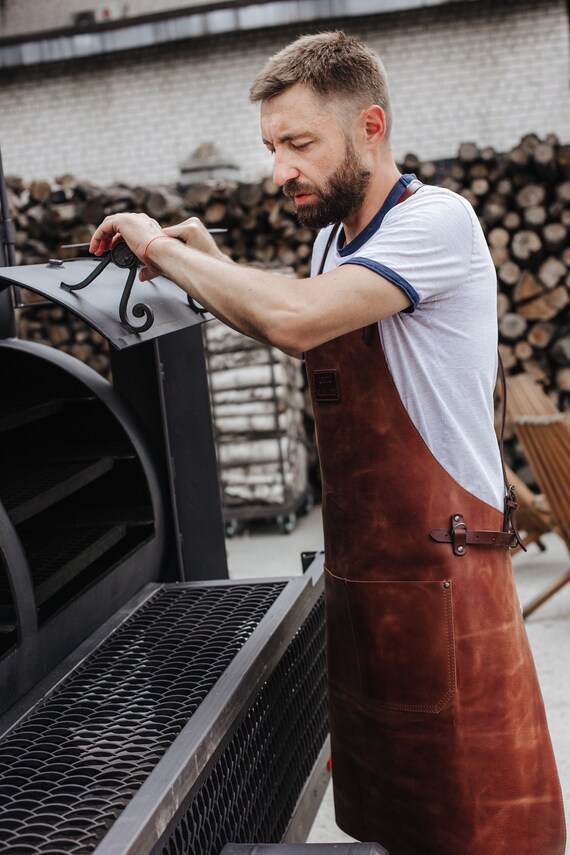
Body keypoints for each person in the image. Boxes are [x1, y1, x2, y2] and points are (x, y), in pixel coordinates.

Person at [90, 31, 566, 855]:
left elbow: (296, 317)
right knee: (388, 833)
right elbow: (308, 336)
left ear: (370, 127)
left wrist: (160, 246)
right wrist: (212, 262)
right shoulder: (331, 241)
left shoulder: (437, 221)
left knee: (481, 834)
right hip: (366, 592)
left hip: (447, 596)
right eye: (271, 147)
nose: (280, 170)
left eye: (299, 143)